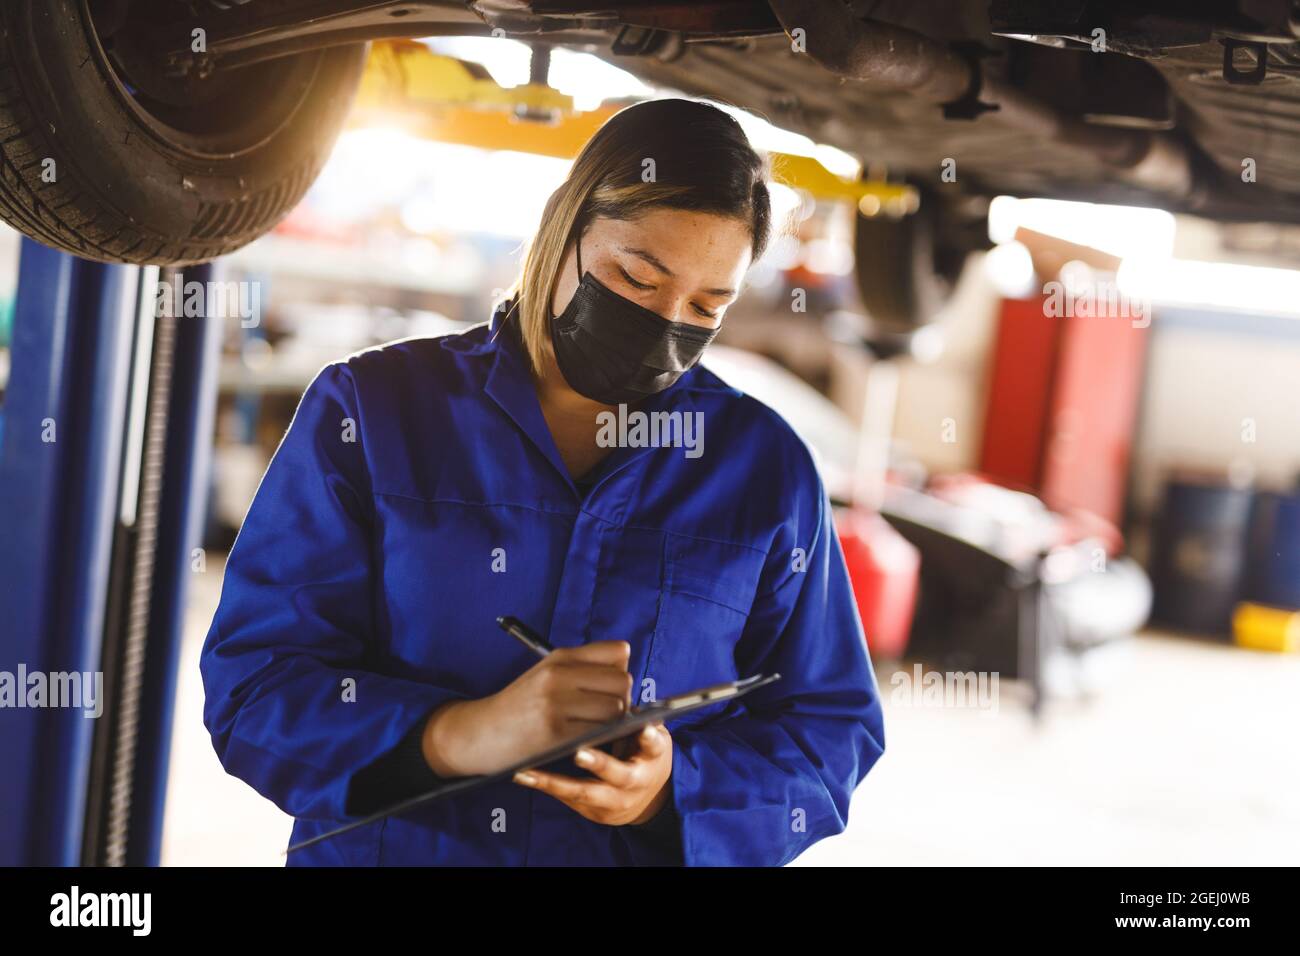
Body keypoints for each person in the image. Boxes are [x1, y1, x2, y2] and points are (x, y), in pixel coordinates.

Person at [200, 97, 885, 866]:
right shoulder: (375, 410)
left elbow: (829, 732)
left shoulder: (763, 469)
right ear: (564, 228)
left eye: (705, 304)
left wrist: (669, 791)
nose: (667, 321)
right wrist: (465, 734)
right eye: (635, 277)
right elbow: (254, 689)